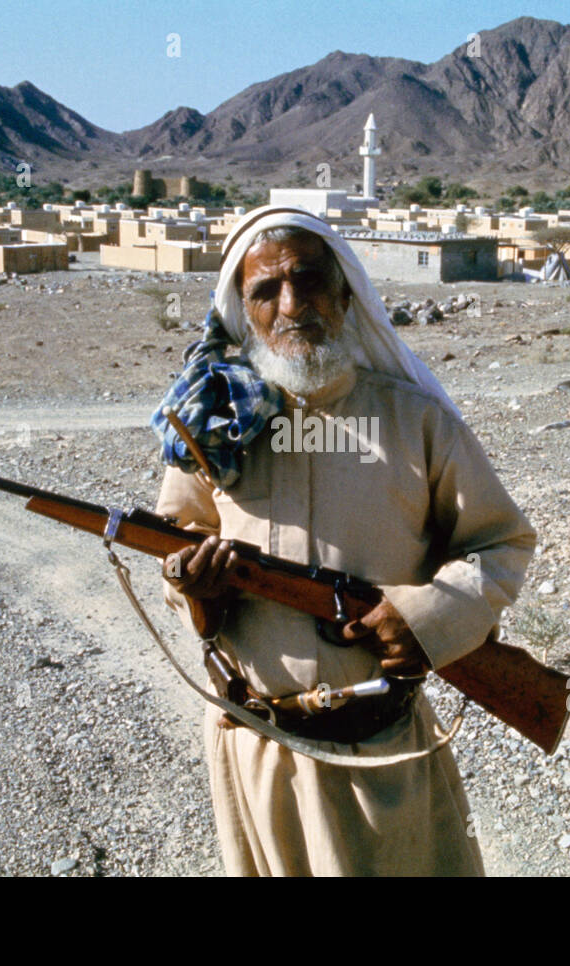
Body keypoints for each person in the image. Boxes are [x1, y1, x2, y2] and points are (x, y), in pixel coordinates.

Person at [153, 206, 535, 876]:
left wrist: (423, 618)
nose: (291, 305)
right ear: (244, 312)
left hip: (383, 756)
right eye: (265, 292)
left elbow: (500, 545)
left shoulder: (416, 422)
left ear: (344, 292)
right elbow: (175, 540)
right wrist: (194, 587)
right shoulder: (212, 427)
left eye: (307, 280)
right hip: (258, 752)